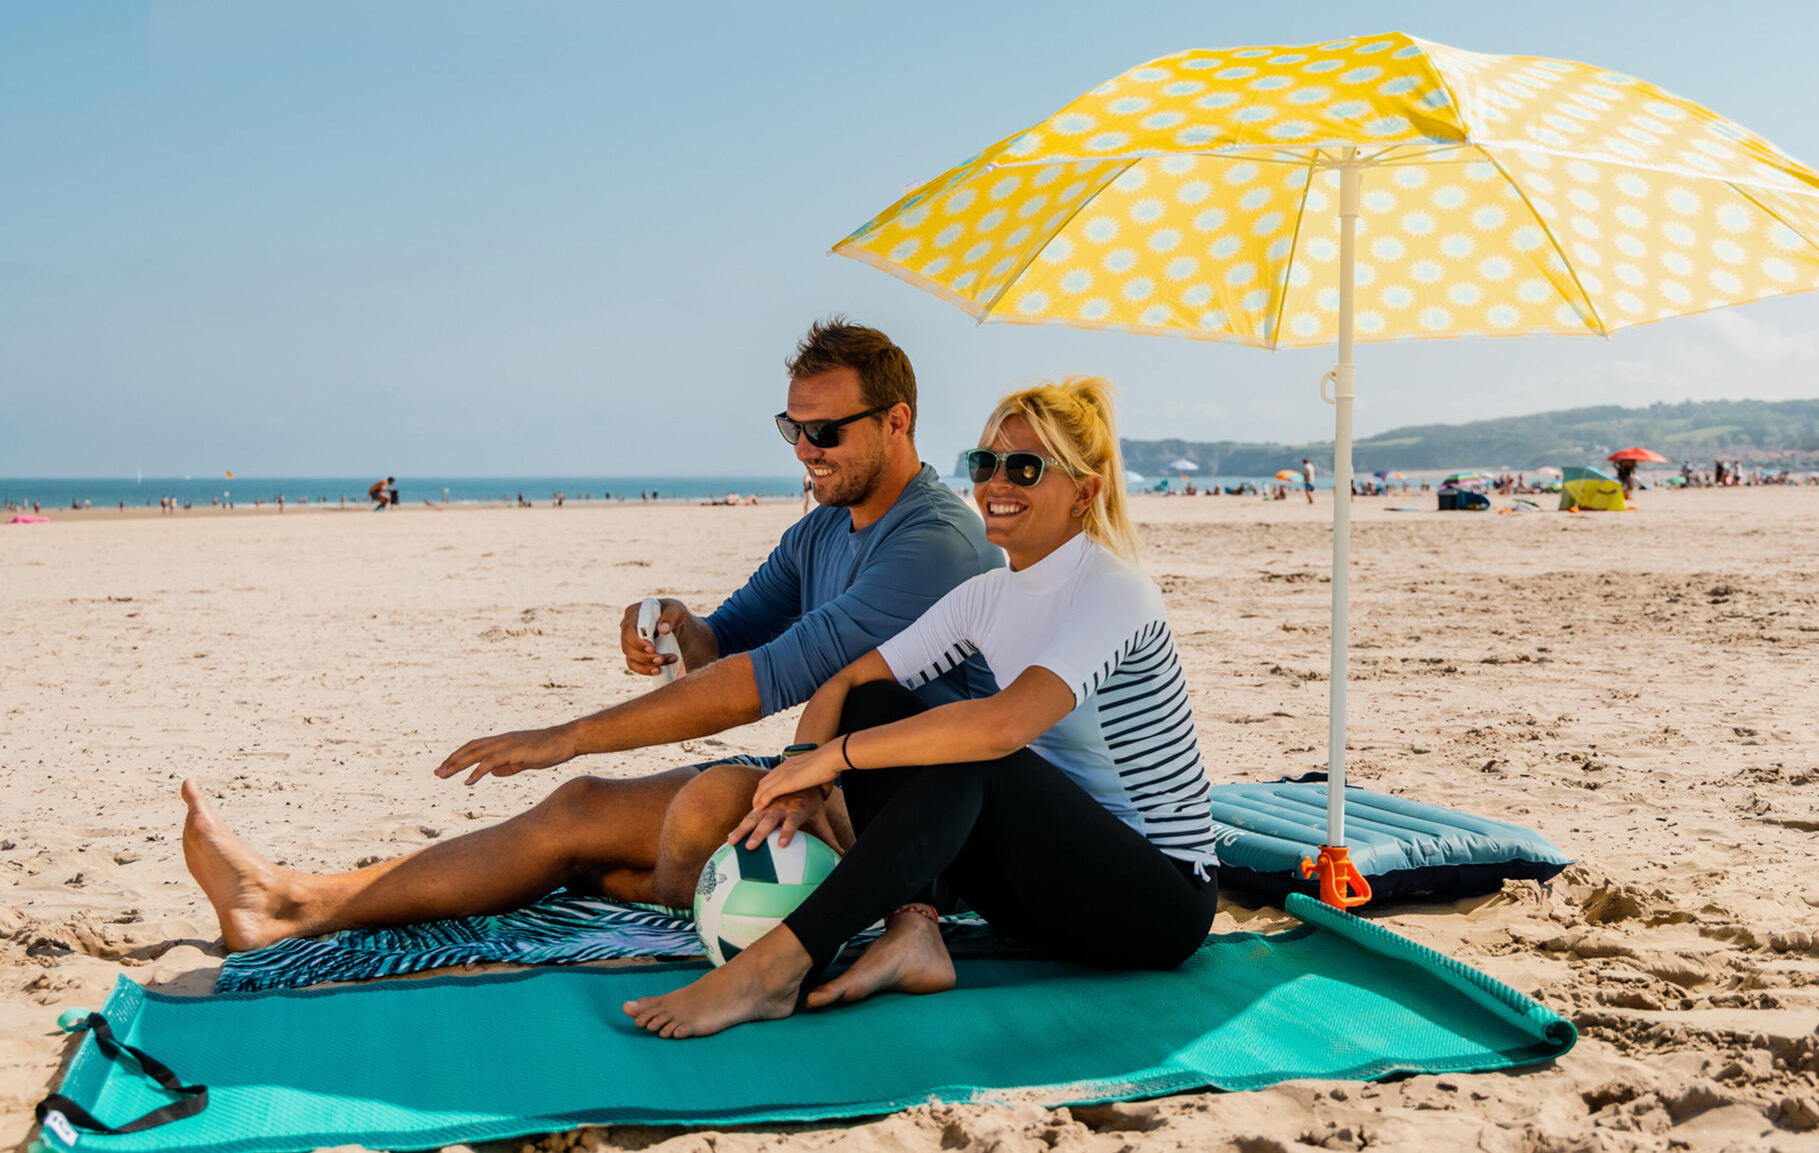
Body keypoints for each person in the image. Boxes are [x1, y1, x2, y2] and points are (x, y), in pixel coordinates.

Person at [176, 320, 1001, 939]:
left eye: (826, 431)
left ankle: (645, 884)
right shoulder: (823, 527)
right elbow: (727, 644)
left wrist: (565, 733)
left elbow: (760, 683)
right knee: (576, 810)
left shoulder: (932, 542)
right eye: (792, 429)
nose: (805, 451)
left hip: (928, 834)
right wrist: (674, 626)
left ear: (897, 423)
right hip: (826, 784)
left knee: (702, 803)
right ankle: (284, 904)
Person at [627, 376, 1216, 1040]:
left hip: (1157, 902)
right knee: (876, 701)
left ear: (1083, 492)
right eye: (985, 463)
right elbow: (845, 685)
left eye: (1025, 468)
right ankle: (915, 933)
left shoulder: (1115, 591)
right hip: (1040, 895)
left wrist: (837, 757)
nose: (998, 483)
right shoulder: (988, 595)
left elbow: (1005, 726)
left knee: (978, 757)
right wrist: (801, 776)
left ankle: (774, 968)